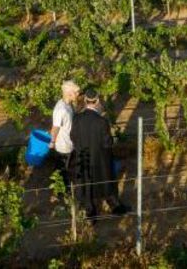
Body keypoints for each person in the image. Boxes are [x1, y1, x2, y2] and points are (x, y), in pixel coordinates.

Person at [70, 89, 127, 218]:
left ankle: (90, 212)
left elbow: (73, 137)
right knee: (106, 181)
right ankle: (114, 205)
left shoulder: (77, 119)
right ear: (97, 101)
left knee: (87, 182)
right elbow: (107, 142)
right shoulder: (102, 121)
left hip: (83, 156)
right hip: (100, 158)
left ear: (85, 101)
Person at [48, 80, 80, 189]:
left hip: (69, 142)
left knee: (65, 167)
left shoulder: (67, 104)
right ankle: (62, 191)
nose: (78, 94)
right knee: (63, 169)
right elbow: (55, 128)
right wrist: (52, 142)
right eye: (75, 92)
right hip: (63, 145)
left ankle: (63, 187)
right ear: (68, 94)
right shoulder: (61, 109)